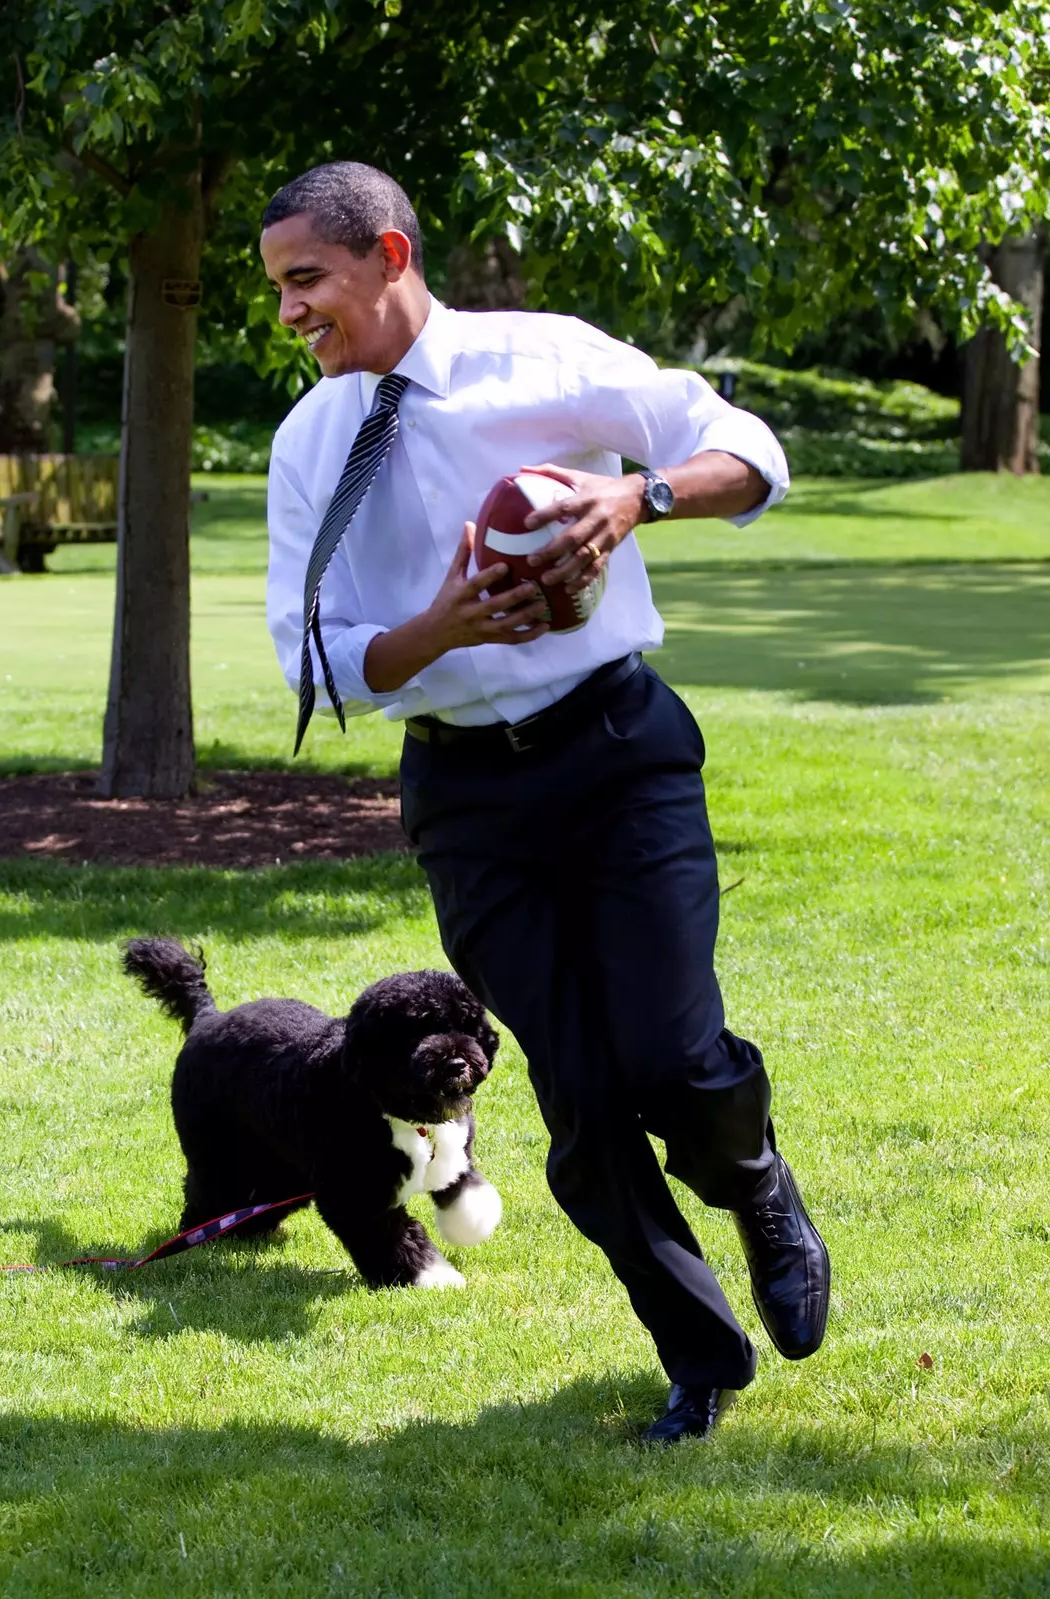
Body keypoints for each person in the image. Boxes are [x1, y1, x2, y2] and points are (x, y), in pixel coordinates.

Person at [261, 161, 830, 1445]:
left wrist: (637, 496)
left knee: (672, 1063)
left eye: (309, 281)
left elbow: (751, 449)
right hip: (467, 798)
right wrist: (437, 628)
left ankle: (757, 1185)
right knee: (578, 1103)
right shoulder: (308, 444)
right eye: (279, 290)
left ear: (390, 257)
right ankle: (697, 1358)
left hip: (618, 752)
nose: (291, 312)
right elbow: (312, 655)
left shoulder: (544, 360)